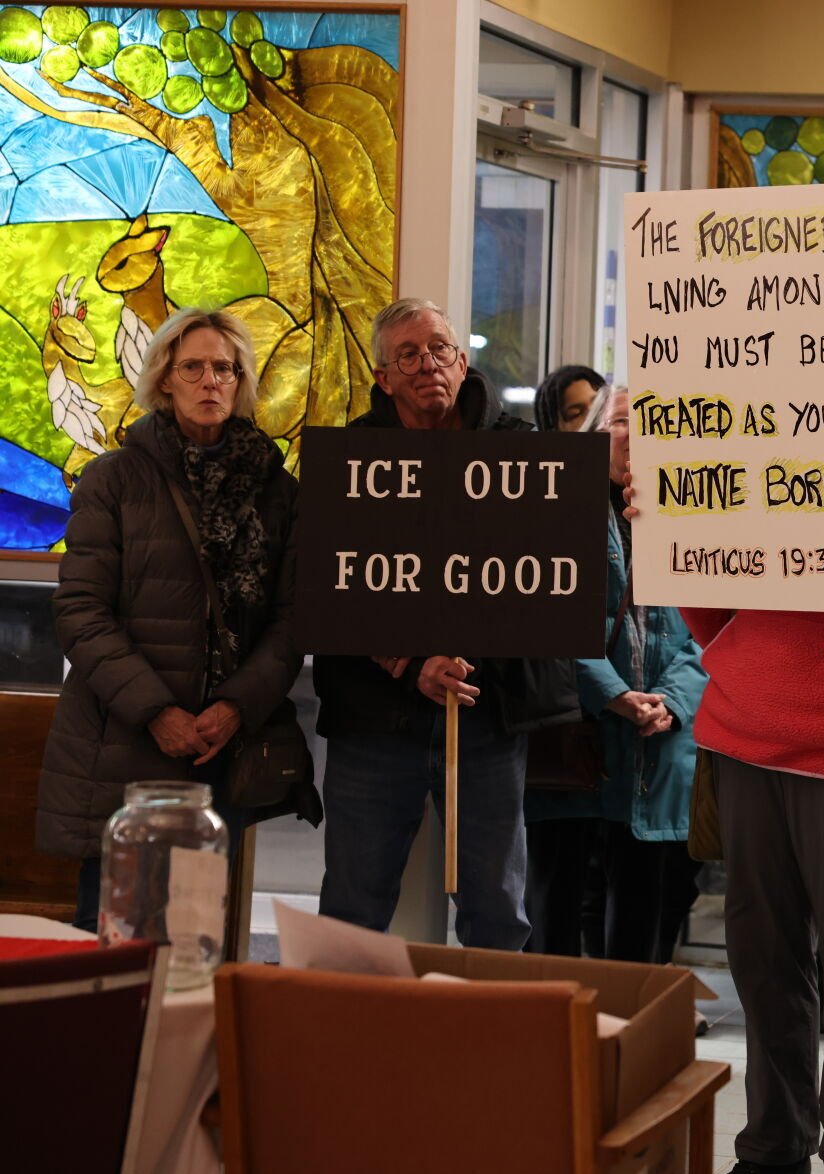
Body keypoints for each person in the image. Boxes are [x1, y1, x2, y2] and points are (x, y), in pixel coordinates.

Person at [627, 340, 824, 1174]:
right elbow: (714, 619)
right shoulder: (745, 475)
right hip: (744, 741)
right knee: (763, 960)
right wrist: (671, 532)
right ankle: (773, 1145)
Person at [314, 298, 579, 949]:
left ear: (462, 361)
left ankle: (488, 1045)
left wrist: (474, 656)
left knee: (496, 907)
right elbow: (330, 584)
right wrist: (411, 662)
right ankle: (333, 1043)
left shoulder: (524, 453)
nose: (427, 364)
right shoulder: (351, 459)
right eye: (407, 354)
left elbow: (545, 578)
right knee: (352, 902)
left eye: (438, 350)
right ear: (383, 377)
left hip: (486, 716)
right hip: (373, 719)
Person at [37, 308, 312, 930]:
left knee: (193, 941)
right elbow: (81, 611)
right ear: (165, 378)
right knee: (112, 937)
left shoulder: (277, 489)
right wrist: (157, 711)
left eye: (225, 368)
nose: (210, 380)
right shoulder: (113, 479)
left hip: (221, 747)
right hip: (122, 744)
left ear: (242, 382)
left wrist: (237, 706)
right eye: (194, 367)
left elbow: (294, 619)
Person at [523, 367, 708, 964]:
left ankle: (627, 1040)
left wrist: (673, 702)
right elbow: (542, 615)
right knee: (556, 905)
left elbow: (711, 630)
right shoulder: (556, 510)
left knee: (643, 913)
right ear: (596, 434)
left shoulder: (692, 520)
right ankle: (554, 1040)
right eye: (623, 421)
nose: (636, 434)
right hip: (577, 738)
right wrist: (611, 692)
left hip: (658, 745)